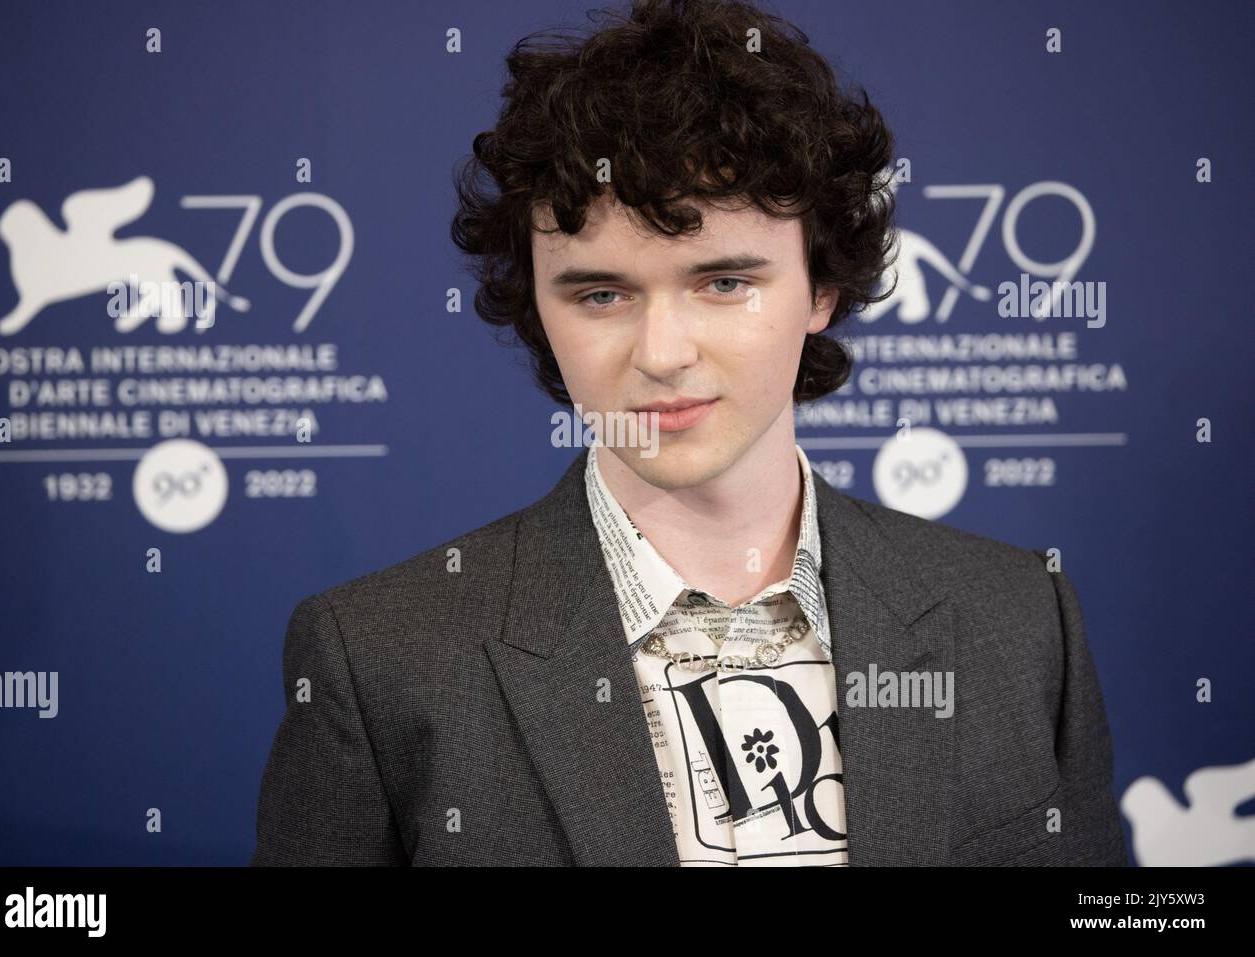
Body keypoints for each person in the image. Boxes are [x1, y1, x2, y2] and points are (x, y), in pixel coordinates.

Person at [251, 0, 1127, 866]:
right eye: (601, 294)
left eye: (723, 283)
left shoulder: (1020, 616)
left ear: (821, 287)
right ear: (539, 311)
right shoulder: (379, 656)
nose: (663, 354)